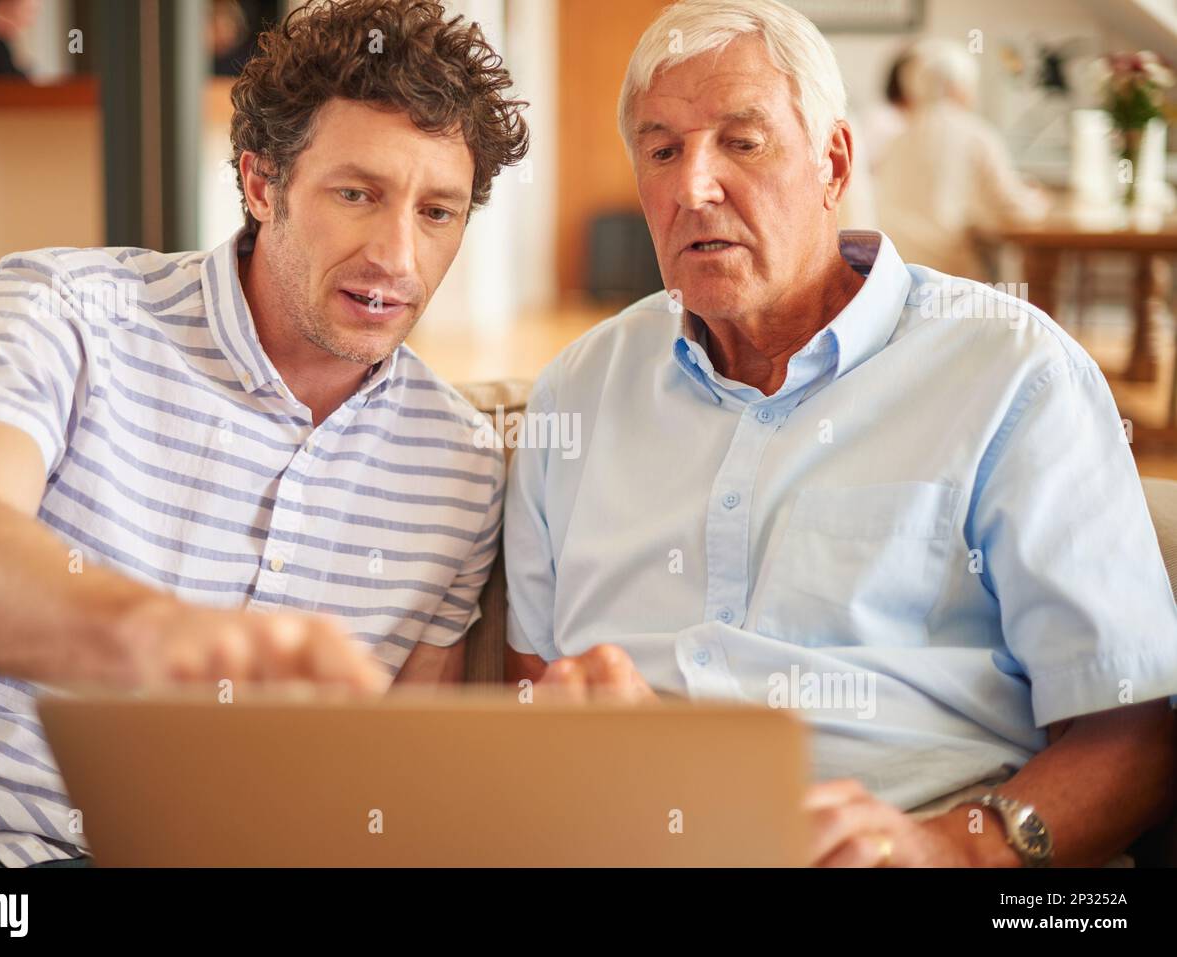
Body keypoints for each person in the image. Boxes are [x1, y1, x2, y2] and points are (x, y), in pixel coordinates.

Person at [503, 0, 1176, 867]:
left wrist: (952, 850)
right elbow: (524, 687)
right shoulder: (578, 391)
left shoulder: (1015, 374)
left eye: (741, 142)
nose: (691, 186)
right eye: (661, 149)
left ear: (833, 161)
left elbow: (1136, 733)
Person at [0, 0, 527, 867]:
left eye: (437, 213)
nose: (398, 259)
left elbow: (397, 781)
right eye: (356, 194)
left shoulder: (463, 467)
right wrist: (160, 634)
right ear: (262, 184)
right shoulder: (66, 307)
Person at [874, 38, 1049, 280]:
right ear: (957, 86)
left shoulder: (897, 138)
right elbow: (1014, 208)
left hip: (898, 270)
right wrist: (1036, 199)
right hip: (954, 272)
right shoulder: (976, 134)